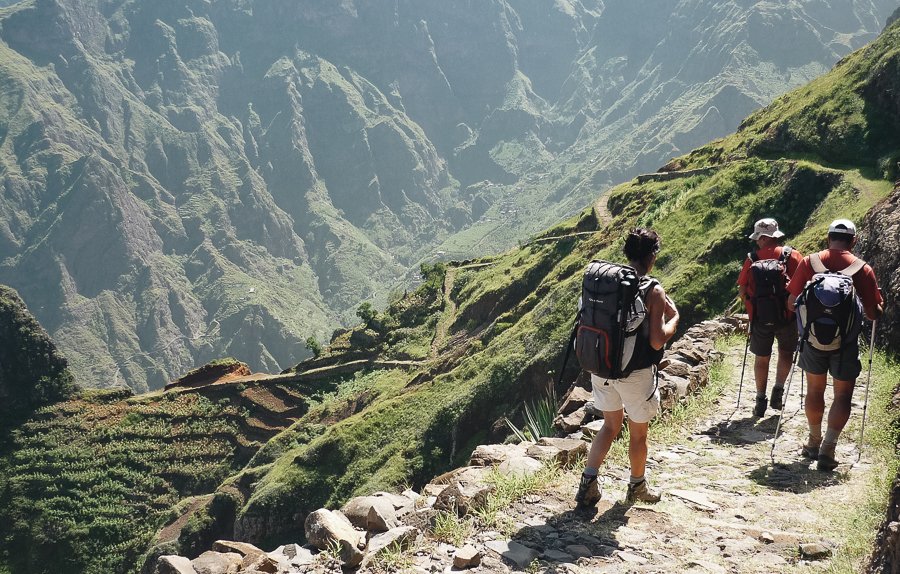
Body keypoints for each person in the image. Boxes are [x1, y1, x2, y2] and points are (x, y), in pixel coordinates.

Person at [575, 228, 679, 509]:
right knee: (638, 433)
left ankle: (588, 482)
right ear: (652, 256)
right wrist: (674, 318)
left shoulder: (607, 282)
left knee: (609, 425)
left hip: (602, 366)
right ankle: (637, 486)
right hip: (635, 373)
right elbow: (657, 341)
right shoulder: (652, 290)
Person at [787, 219, 883, 471]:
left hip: (813, 341)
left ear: (828, 238)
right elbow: (873, 313)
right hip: (845, 344)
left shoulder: (810, 262)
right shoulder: (862, 269)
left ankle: (813, 441)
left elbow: (791, 303)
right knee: (842, 395)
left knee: (814, 390)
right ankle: (828, 449)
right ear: (854, 241)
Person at [736, 218, 803, 417]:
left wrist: (753, 306)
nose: (757, 241)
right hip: (787, 317)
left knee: (761, 357)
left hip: (760, 318)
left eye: (758, 238)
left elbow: (742, 290)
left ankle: (760, 399)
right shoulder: (793, 255)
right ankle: (778, 390)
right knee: (786, 353)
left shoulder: (752, 258)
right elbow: (803, 284)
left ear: (764, 238)